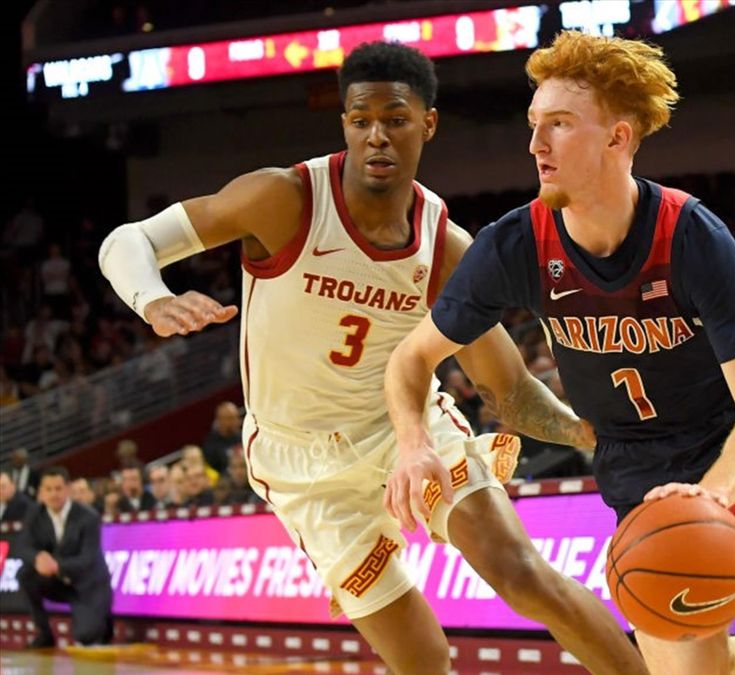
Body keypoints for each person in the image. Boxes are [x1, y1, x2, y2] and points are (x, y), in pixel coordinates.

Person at [98, 41, 646, 675]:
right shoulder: (282, 199)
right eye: (361, 121)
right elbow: (129, 240)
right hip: (299, 462)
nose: (377, 136)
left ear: (428, 124)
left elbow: (510, 389)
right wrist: (152, 299)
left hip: (405, 430)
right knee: (422, 658)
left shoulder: (444, 246)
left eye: (395, 119)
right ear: (345, 126)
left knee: (522, 573)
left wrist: (587, 432)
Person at [384, 31, 735, 675]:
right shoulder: (516, 244)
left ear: (617, 137)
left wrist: (710, 498)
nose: (535, 145)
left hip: (734, 447)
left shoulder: (691, 234)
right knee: (698, 668)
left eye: (558, 125)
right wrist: (414, 442)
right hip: (634, 467)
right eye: (534, 125)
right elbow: (410, 360)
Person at [13, 467, 113, 647]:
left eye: (58, 488)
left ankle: (103, 621)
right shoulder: (35, 513)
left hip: (88, 584)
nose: (54, 494)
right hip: (58, 583)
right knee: (25, 574)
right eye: (48, 489)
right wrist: (38, 557)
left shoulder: (88, 517)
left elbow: (87, 560)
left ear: (68, 489)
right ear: (41, 492)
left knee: (86, 636)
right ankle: (43, 633)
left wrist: (56, 565)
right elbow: (22, 545)